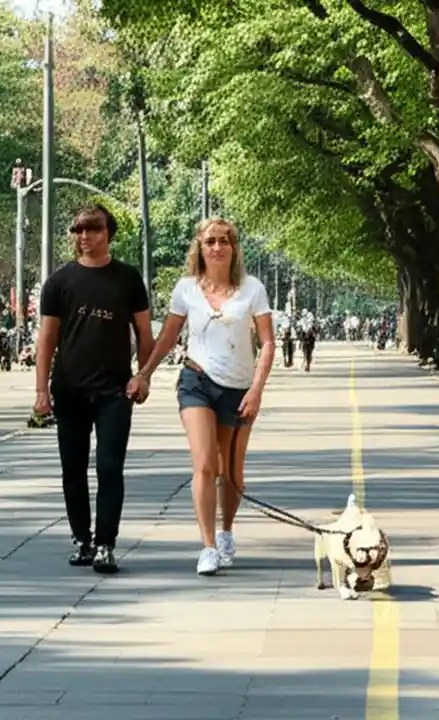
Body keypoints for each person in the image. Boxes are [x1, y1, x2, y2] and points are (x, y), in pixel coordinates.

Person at [131, 218, 275, 576]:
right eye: (210, 241)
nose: (217, 247)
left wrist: (256, 390)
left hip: (239, 388)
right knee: (206, 464)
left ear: (234, 248)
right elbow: (168, 337)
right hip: (196, 381)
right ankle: (208, 545)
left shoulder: (252, 289)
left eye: (225, 241)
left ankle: (227, 531)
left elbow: (268, 343)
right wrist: (144, 374)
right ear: (200, 247)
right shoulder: (186, 289)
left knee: (232, 472)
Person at [36, 204, 154, 573]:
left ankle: (106, 543)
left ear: (109, 233)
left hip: (114, 391)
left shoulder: (127, 279)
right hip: (69, 389)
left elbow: (144, 335)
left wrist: (144, 375)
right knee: (72, 468)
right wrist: (42, 391)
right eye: (78, 230)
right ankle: (81, 539)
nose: (84, 237)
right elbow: (47, 340)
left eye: (93, 229)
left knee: (109, 466)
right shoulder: (58, 282)